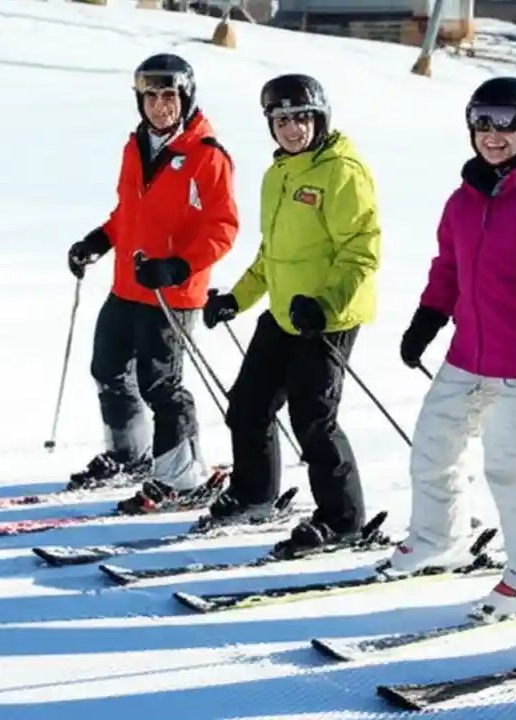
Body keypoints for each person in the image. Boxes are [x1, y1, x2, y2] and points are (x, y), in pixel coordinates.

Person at [379, 77, 516, 622]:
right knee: (432, 444)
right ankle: (437, 538)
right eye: (482, 121)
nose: (493, 134)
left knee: (512, 474)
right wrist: (427, 319)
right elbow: (447, 268)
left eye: (505, 122)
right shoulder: (464, 198)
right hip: (466, 353)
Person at [199, 73, 381, 557]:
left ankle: (342, 519)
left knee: (313, 420)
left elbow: (362, 253)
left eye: (301, 118)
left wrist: (323, 305)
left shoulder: (341, 171)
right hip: (283, 314)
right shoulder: (278, 173)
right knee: (247, 406)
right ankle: (255, 492)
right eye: (281, 120)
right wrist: (236, 298)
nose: (292, 129)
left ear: (319, 118)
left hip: (328, 319)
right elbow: (271, 255)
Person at [65, 53, 240, 511]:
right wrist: (99, 240)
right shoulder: (135, 146)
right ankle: (129, 454)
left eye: (169, 96)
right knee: (108, 368)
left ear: (185, 97)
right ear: (139, 100)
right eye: (151, 96)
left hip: (171, 292)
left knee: (160, 385)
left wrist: (179, 266)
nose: (160, 105)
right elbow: (130, 212)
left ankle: (180, 476)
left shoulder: (207, 155)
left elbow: (223, 227)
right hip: (127, 286)